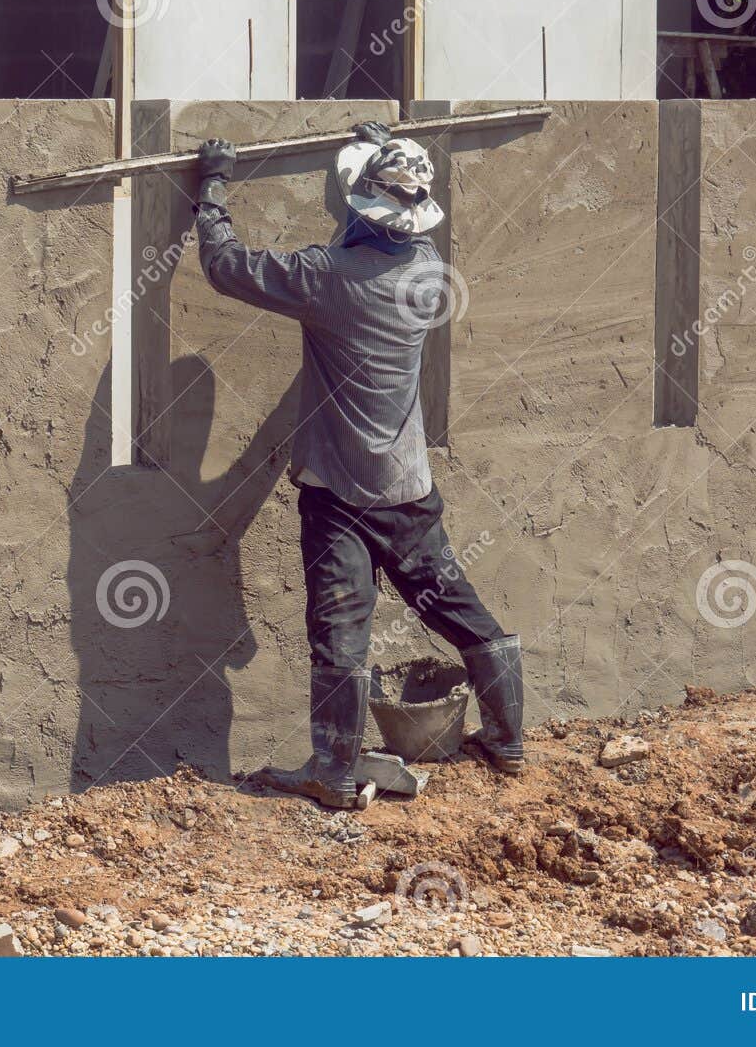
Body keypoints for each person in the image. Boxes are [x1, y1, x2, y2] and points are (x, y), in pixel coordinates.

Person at [190, 121, 524, 809]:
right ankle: (508, 738)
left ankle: (335, 774)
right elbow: (373, 233)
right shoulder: (429, 272)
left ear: (367, 208)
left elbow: (225, 267)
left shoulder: (325, 277)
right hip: (407, 489)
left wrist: (213, 185)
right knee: (459, 608)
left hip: (341, 498)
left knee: (342, 635)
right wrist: (375, 160)